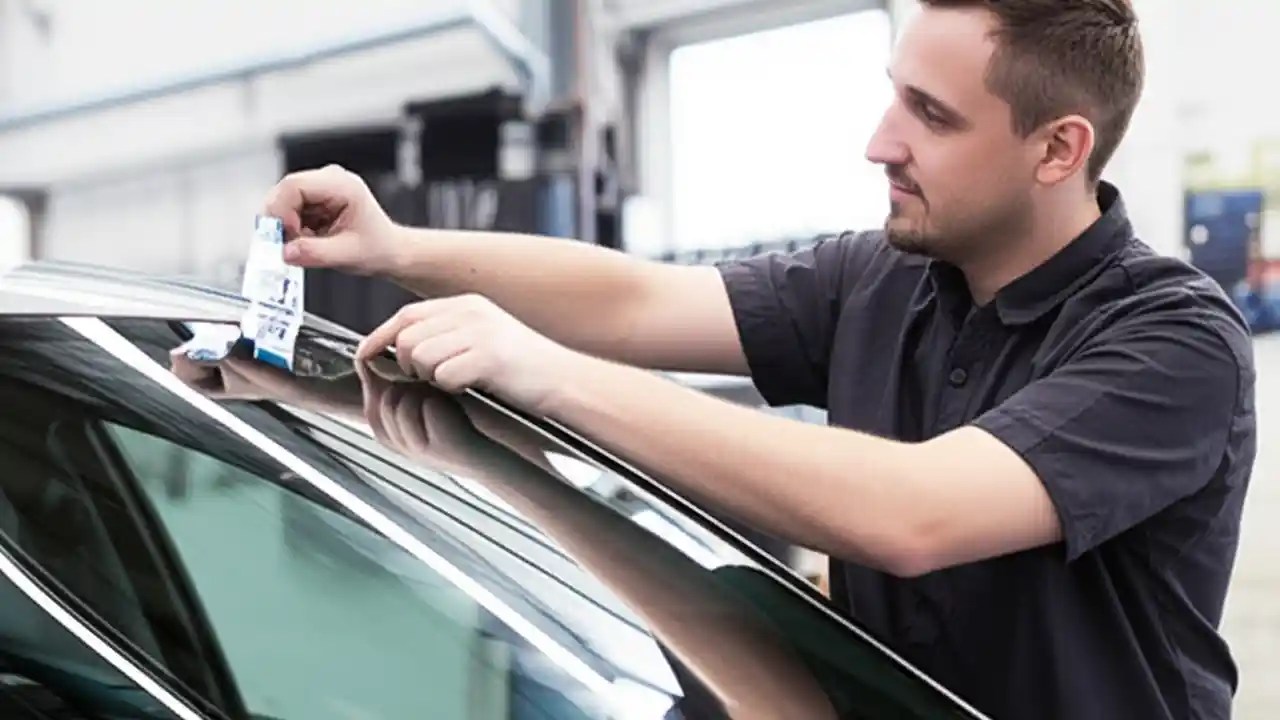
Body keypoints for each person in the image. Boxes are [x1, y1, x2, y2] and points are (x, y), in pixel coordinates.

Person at [259, 1, 1256, 717]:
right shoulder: (878, 280)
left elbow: (911, 513)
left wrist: (543, 371)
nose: (879, 142)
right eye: (891, 98)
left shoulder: (1170, 342)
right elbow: (638, 295)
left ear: (1056, 149)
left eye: (930, 114)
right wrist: (399, 251)